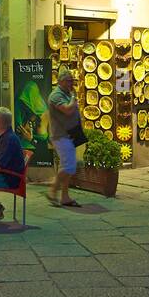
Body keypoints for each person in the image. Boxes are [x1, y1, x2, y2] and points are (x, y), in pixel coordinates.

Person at [47, 68, 83, 208]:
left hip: (70, 134)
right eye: (69, 81)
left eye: (72, 81)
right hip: (61, 135)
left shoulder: (66, 93)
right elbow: (67, 110)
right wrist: (74, 97)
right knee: (68, 166)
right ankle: (52, 191)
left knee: (68, 166)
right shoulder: (56, 95)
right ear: (61, 81)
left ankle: (65, 197)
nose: (71, 83)